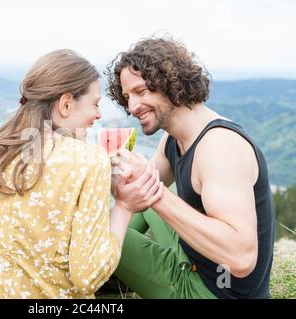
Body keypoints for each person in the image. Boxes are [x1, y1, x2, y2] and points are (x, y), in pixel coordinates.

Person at [0, 49, 162, 299]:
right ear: (66, 104)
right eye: (94, 104)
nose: (98, 114)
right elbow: (87, 278)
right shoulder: (90, 160)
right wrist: (124, 207)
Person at [106, 36, 275, 299]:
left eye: (141, 92)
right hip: (196, 256)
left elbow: (241, 258)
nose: (132, 107)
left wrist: (153, 193)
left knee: (90, 232)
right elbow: (132, 190)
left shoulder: (219, 148)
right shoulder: (175, 136)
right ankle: (112, 265)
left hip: (211, 291)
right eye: (127, 97)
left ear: (170, 82)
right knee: (142, 191)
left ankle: (101, 263)